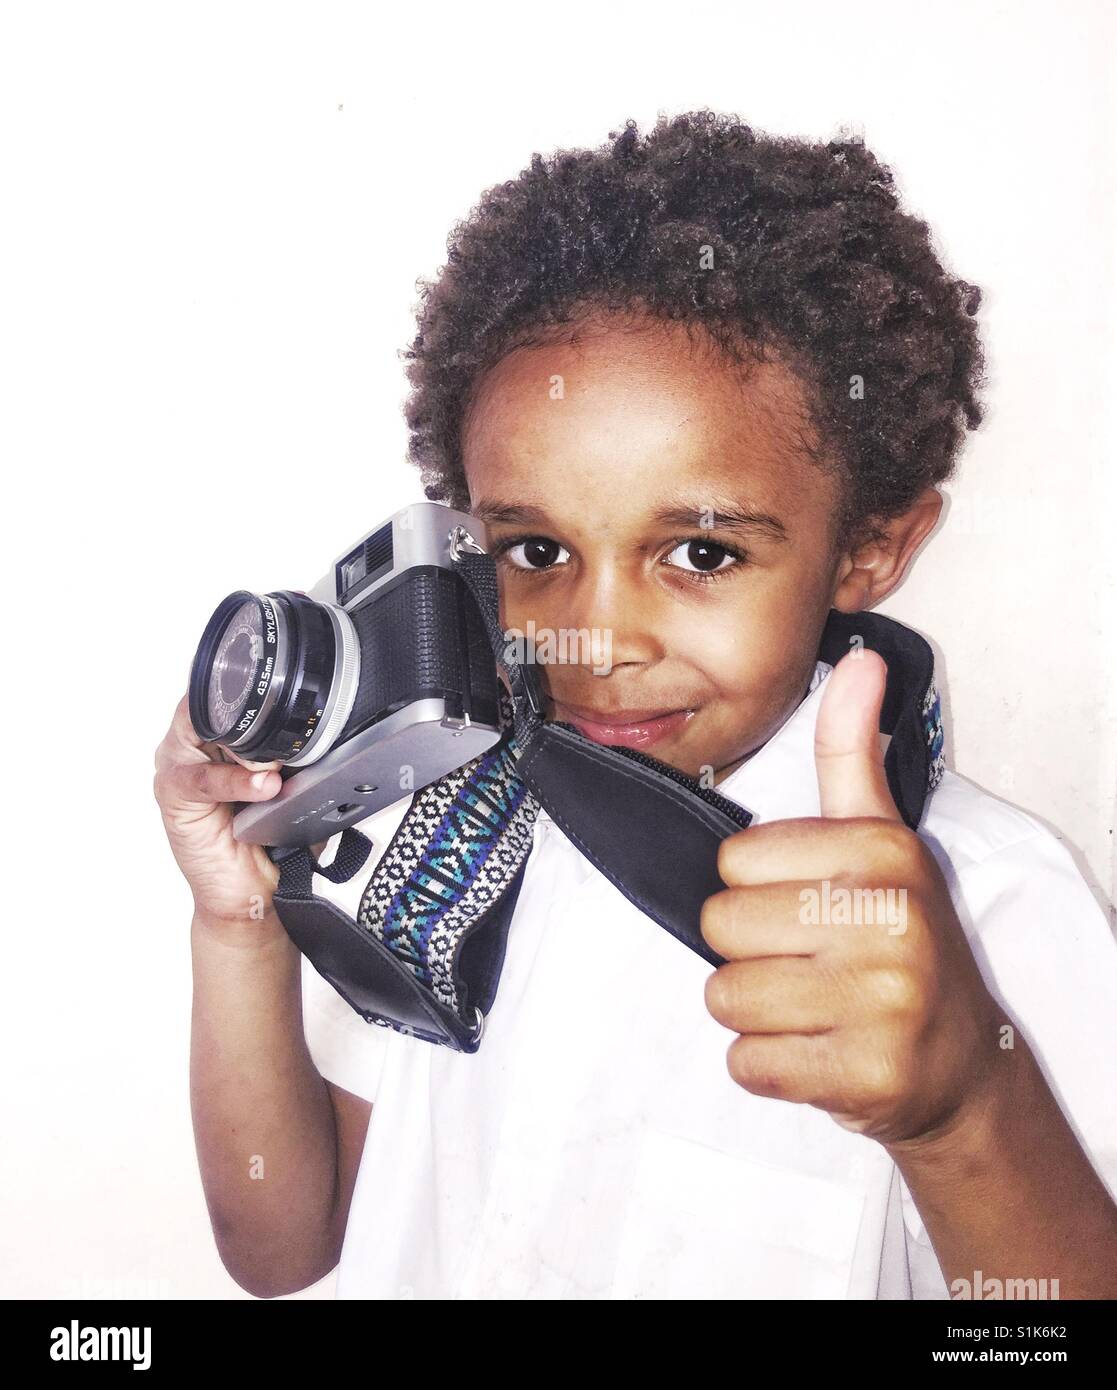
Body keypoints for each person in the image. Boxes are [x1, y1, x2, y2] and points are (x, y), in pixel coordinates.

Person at [154, 110, 1117, 1299]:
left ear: (872, 547)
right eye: (535, 550)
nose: (591, 641)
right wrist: (240, 924)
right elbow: (288, 1248)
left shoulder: (986, 904)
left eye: (701, 555)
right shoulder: (436, 832)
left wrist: (964, 1108)